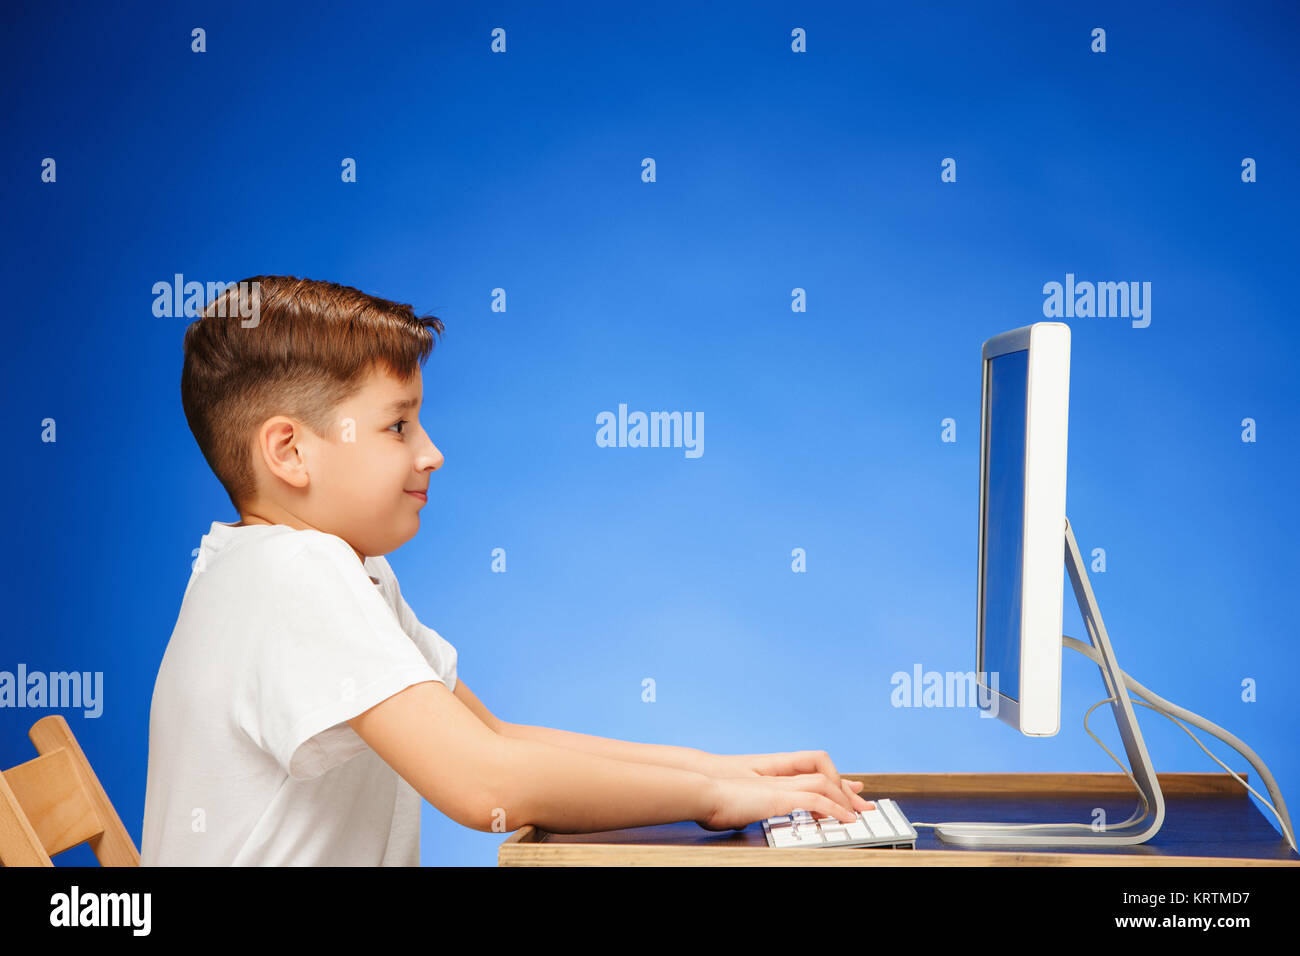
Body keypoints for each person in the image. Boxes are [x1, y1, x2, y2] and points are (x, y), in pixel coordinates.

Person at [141, 275, 870, 865]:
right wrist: (710, 800)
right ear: (290, 452)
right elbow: (484, 785)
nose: (431, 453)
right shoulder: (290, 574)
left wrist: (724, 773)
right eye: (398, 425)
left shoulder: (327, 569)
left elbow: (496, 738)